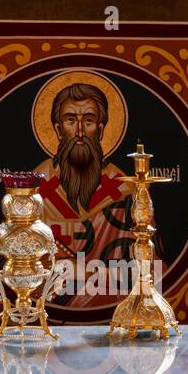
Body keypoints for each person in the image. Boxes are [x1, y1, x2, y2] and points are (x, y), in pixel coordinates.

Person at [31, 82, 137, 307]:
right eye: (70, 120)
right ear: (59, 129)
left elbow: (149, 271)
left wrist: (82, 271)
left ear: (100, 129)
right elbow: (23, 267)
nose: (79, 131)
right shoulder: (34, 189)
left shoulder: (123, 191)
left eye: (88, 121)